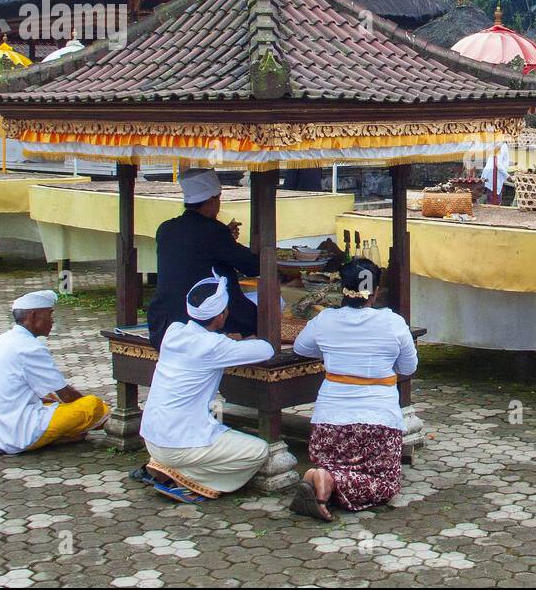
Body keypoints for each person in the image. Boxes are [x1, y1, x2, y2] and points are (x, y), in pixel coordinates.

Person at [288, 258, 417, 521]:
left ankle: (323, 477)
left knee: (337, 463)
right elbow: (408, 367)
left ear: (341, 289)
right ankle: (328, 480)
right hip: (378, 425)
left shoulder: (324, 320)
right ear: (376, 291)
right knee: (385, 483)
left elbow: (301, 348)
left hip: (329, 426)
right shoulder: (393, 323)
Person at [136, 272, 275, 504]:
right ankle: (187, 479)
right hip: (180, 444)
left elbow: (205, 346)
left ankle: (164, 466)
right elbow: (266, 350)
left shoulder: (174, 331)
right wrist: (233, 342)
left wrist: (226, 340)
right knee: (259, 450)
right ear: (221, 315)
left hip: (151, 437)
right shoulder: (214, 345)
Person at [0, 290, 110, 454]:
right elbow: (66, 394)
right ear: (32, 316)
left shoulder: (2, 339)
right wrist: (101, 413)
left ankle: (65, 434)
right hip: (16, 432)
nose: (53, 321)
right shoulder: (30, 347)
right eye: (49, 315)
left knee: (52, 400)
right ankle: (62, 434)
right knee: (93, 405)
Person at [146, 168, 260, 348]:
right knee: (261, 319)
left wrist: (224, 238)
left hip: (162, 322)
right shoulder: (214, 232)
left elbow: (194, 251)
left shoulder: (166, 228)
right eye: (218, 198)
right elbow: (253, 267)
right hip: (198, 319)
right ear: (211, 200)